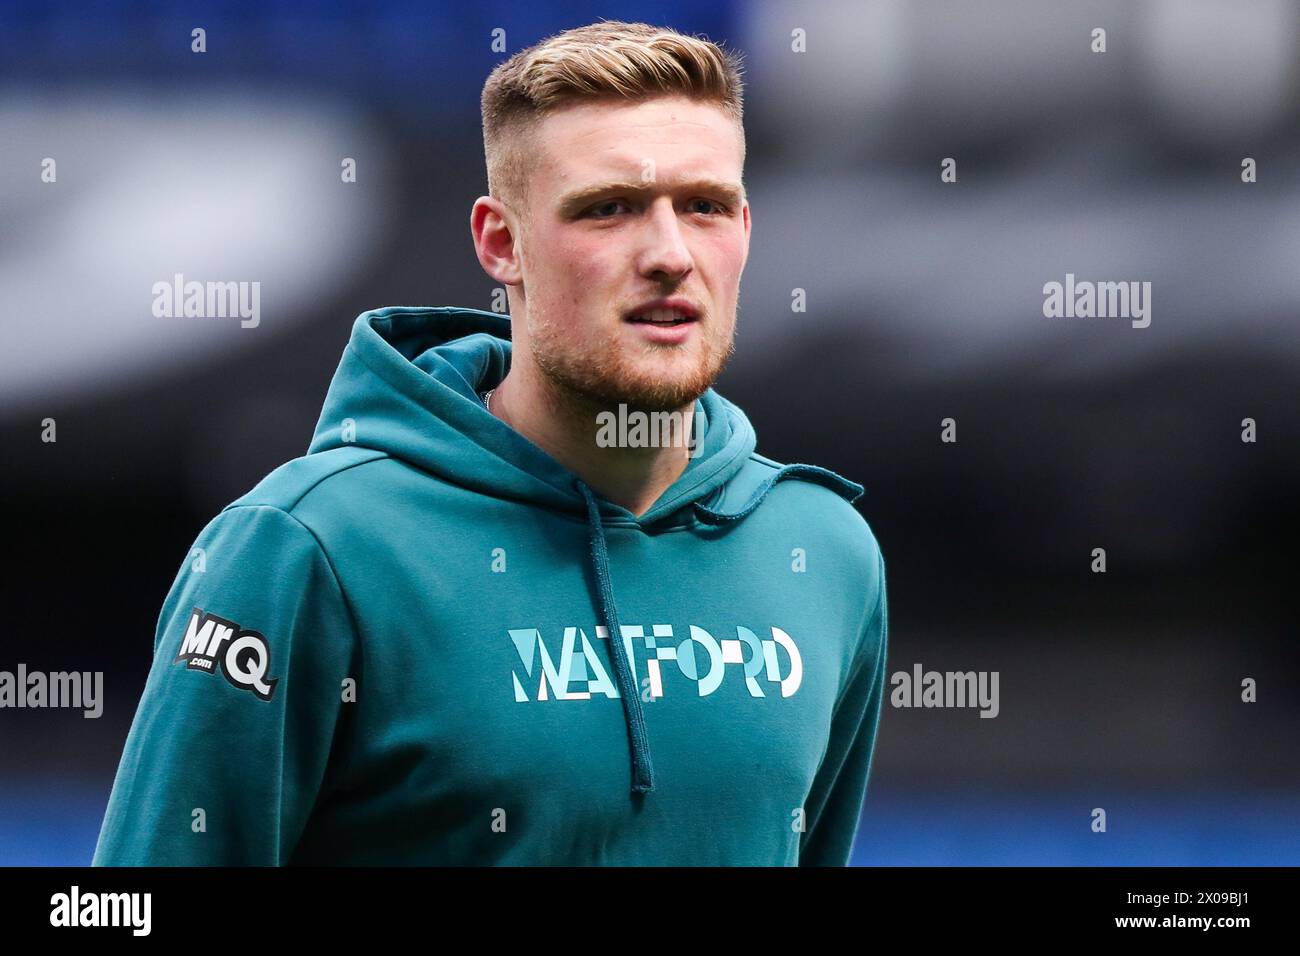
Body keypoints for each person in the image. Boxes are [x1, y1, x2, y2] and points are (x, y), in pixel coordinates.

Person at [93, 19, 888, 866]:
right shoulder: (308, 549)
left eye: (705, 207)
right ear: (500, 243)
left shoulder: (825, 553)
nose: (668, 254)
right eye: (608, 209)